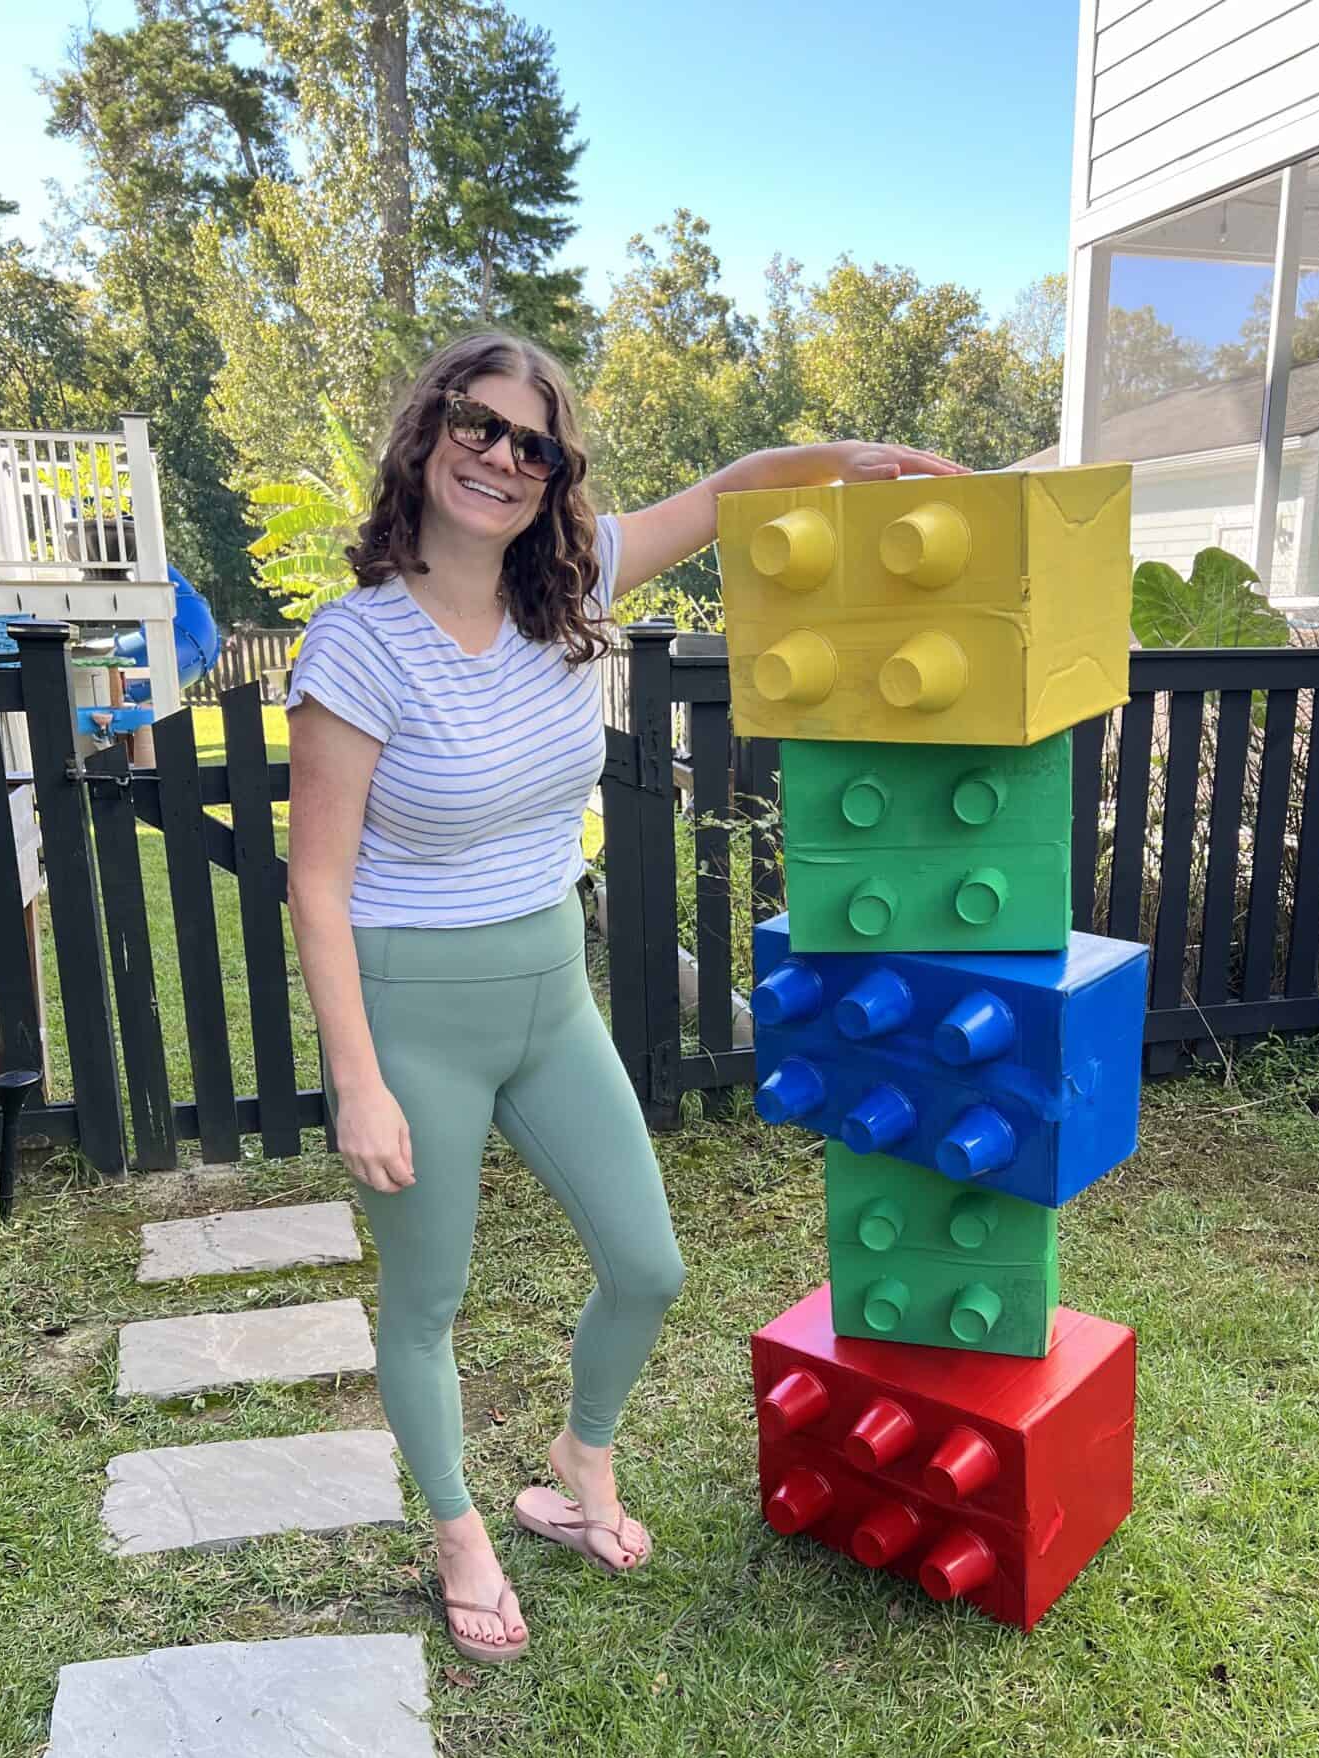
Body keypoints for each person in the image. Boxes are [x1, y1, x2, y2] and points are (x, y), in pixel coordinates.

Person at [286, 329, 964, 1664]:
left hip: (551, 987)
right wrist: (358, 1078)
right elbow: (317, 886)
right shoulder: (356, 646)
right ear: (426, 437)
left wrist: (859, 464)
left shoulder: (569, 584)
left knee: (649, 1265)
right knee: (431, 1299)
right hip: (415, 1005)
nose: (502, 457)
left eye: (532, 444)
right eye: (478, 426)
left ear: (553, 476)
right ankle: (460, 1530)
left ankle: (577, 1461)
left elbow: (733, 490)